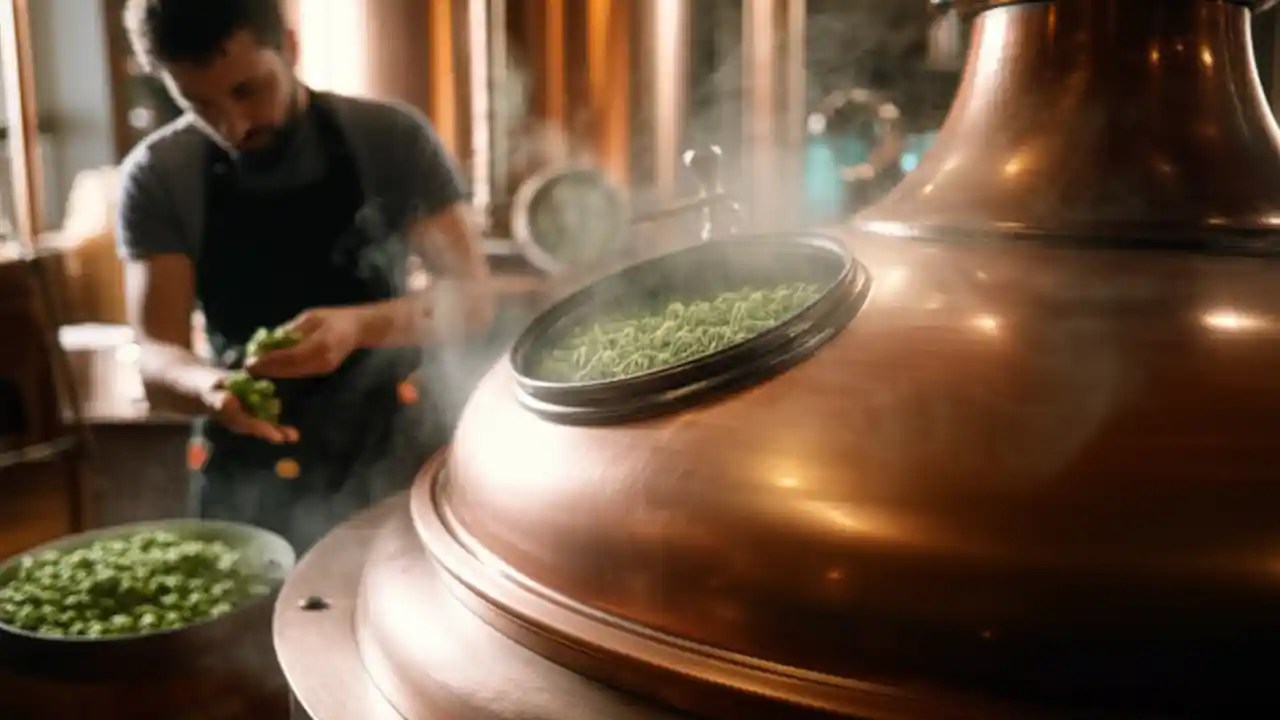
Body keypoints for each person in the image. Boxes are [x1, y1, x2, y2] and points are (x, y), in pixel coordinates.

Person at [117, 0, 494, 551]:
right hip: (247, 462)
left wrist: (359, 327)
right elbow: (155, 355)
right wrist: (210, 386)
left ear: (290, 47)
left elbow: (473, 301)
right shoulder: (159, 178)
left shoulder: (389, 139)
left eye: (248, 90)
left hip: (393, 445)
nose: (233, 125)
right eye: (199, 103)